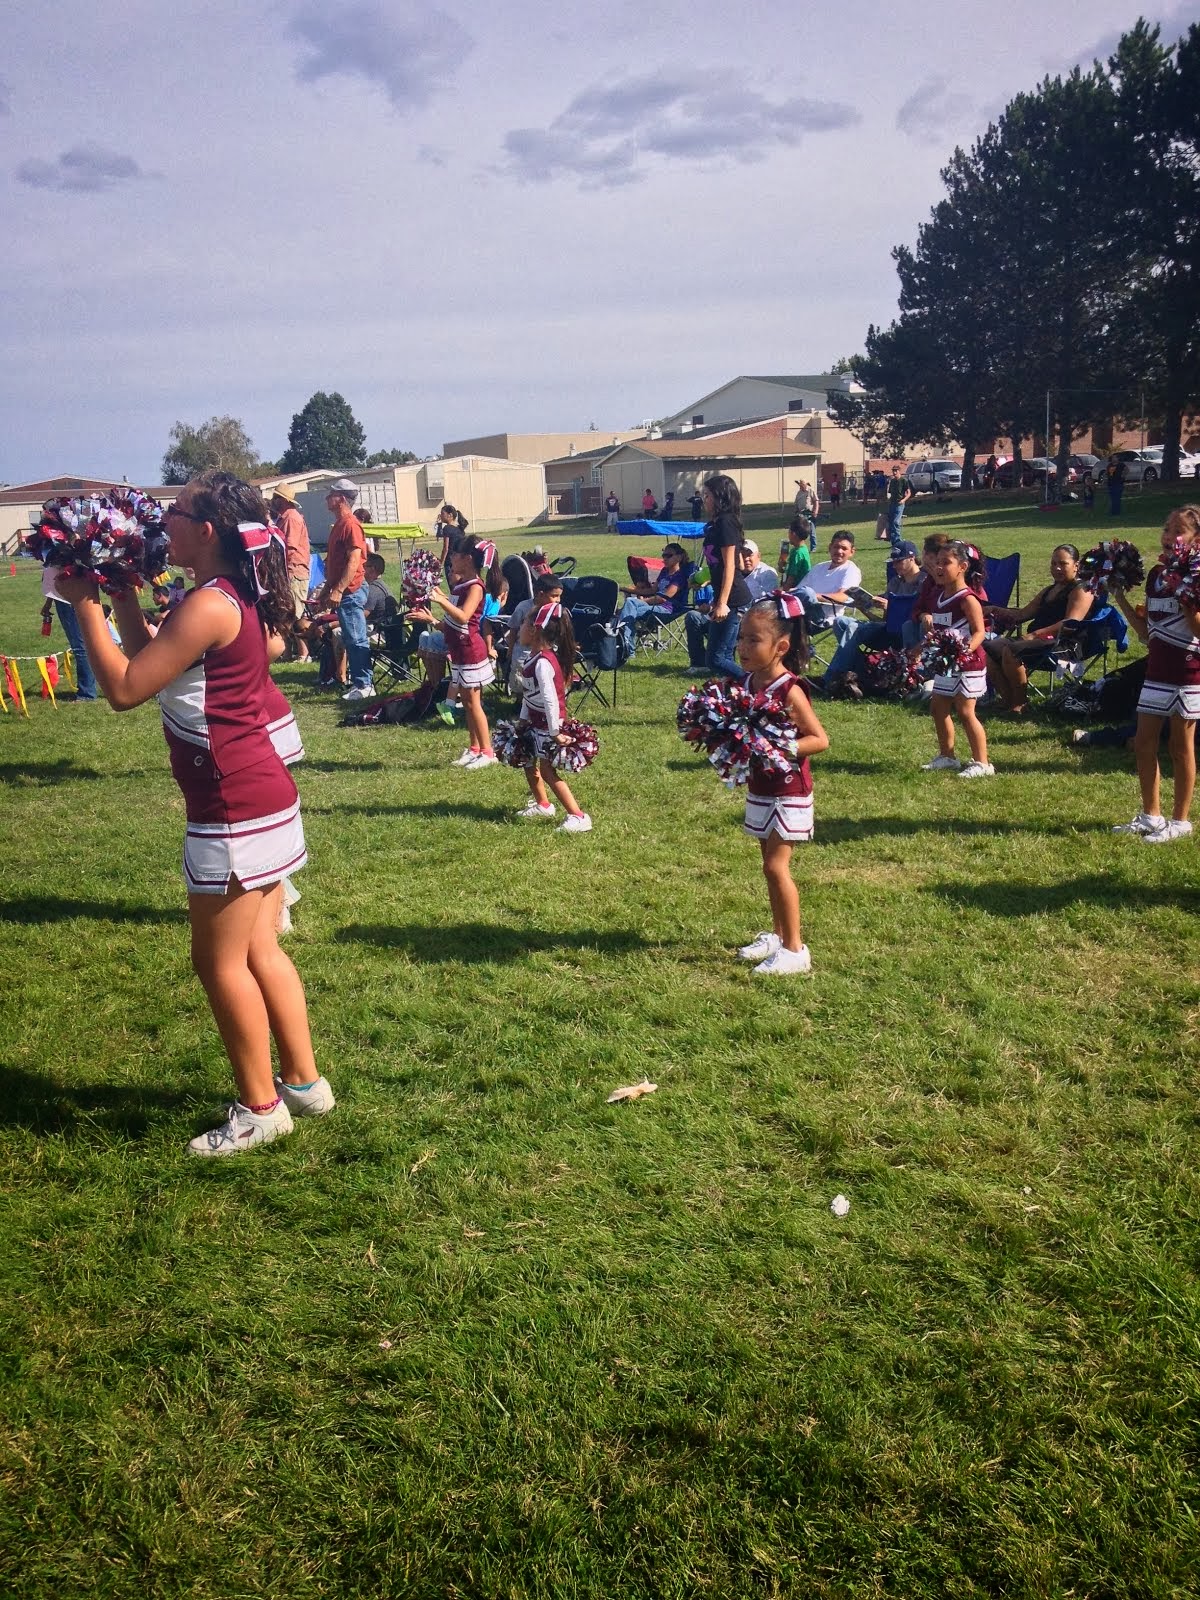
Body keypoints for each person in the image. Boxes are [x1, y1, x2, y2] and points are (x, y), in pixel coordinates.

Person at [57, 470, 332, 1156]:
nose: (163, 522)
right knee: (261, 949)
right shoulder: (223, 594)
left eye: (174, 513)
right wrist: (121, 593)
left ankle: (261, 1108)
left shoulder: (209, 604)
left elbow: (124, 687)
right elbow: (160, 656)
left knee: (220, 965)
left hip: (233, 806)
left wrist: (84, 603)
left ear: (205, 530)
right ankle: (303, 1083)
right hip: (260, 794)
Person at [733, 594, 829, 977]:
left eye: (753, 640)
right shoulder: (746, 681)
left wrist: (775, 748)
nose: (742, 646)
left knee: (776, 867)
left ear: (781, 647)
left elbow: (819, 739)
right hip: (761, 786)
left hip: (789, 790)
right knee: (766, 865)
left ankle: (795, 949)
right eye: (741, 637)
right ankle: (776, 934)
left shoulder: (790, 689)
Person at [1109, 504, 1200, 841]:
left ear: (1196, 540)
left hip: (1189, 673)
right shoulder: (1156, 576)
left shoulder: (1196, 576)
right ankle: (1151, 815)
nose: (1168, 536)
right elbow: (1148, 632)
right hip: (1156, 672)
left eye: (1178, 530)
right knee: (1143, 742)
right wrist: (1119, 596)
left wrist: (1187, 596)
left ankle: (1180, 821)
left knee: (1181, 746)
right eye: (1166, 527)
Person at [410, 534, 501, 768]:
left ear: (468, 559)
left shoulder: (475, 587)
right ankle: (474, 748)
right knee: (467, 704)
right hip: (459, 650)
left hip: (471, 650)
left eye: (456, 555)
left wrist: (440, 600)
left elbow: (463, 616)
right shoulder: (461, 585)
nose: (451, 558)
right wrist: (431, 619)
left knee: (473, 703)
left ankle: (488, 752)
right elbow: (452, 623)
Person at [512, 602, 592, 833]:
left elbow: (550, 700)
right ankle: (543, 804)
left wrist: (555, 732)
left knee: (547, 771)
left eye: (524, 623)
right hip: (535, 723)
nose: (520, 628)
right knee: (527, 761)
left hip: (549, 726)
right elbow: (530, 695)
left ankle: (578, 815)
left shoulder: (543, 663)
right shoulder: (534, 658)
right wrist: (523, 719)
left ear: (535, 629)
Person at [983, 544, 1091, 714]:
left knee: (1011, 650)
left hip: (1063, 644)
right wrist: (993, 609)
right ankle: (1007, 700)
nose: (1057, 568)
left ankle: (1020, 704)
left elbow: (1070, 624)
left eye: (1063, 564)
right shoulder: (1049, 590)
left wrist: (1034, 635)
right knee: (991, 648)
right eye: (1053, 563)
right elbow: (1022, 614)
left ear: (1076, 565)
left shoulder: (1082, 589)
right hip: (1036, 641)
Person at [922, 541, 993, 779]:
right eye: (937, 562)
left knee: (965, 711)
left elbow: (979, 632)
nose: (939, 567)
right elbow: (941, 631)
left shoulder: (968, 599)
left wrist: (963, 652)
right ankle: (948, 757)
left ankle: (982, 763)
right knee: (938, 707)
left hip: (969, 664)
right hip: (946, 663)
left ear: (962, 566)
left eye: (946, 563)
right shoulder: (937, 595)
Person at [820, 538, 923, 682]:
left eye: (899, 561)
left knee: (853, 628)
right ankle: (860, 670)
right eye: (893, 562)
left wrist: (891, 606)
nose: (894, 566)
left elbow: (914, 614)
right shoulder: (895, 583)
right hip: (886, 629)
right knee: (840, 621)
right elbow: (885, 620)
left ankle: (831, 677)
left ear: (912, 558)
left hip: (904, 632)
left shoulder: (924, 582)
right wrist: (863, 607)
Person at [685, 474, 751, 677]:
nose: (704, 500)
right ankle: (737, 701)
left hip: (733, 600)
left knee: (716, 659)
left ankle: (757, 686)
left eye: (707, 495)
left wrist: (722, 603)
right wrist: (705, 580)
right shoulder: (716, 524)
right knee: (720, 657)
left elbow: (732, 566)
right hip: (723, 596)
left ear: (720, 497)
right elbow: (731, 563)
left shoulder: (726, 522)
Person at [313, 477, 371, 700]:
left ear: (342, 499)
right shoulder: (339, 524)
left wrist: (338, 590)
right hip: (343, 591)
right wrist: (328, 590)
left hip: (351, 591)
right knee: (350, 637)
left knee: (356, 638)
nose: (327, 497)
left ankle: (364, 685)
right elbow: (336, 564)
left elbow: (353, 560)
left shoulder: (350, 524)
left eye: (331, 494)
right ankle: (359, 682)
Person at [615, 541, 690, 655]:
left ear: (679, 557)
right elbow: (652, 591)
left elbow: (664, 598)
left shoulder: (680, 576)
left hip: (667, 610)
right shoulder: (664, 571)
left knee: (628, 609)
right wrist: (626, 589)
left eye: (668, 556)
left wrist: (642, 601)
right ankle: (627, 648)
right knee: (630, 607)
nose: (664, 558)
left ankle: (625, 648)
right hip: (654, 605)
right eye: (663, 555)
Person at [39, 561, 98, 701]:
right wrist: (48, 603)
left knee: (80, 647)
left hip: (67, 599)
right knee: (83, 645)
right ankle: (89, 688)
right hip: (64, 597)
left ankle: (87, 693)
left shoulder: (63, 552)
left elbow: (57, 575)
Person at [507, 572, 565, 699]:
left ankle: (540, 703)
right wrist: (510, 650)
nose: (558, 600)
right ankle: (520, 703)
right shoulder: (523, 607)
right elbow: (513, 629)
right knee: (521, 678)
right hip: (523, 653)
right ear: (540, 594)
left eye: (559, 596)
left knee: (543, 681)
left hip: (547, 653)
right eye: (554, 596)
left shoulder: (556, 611)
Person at [270, 485, 312, 659]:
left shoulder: (292, 518)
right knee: (286, 612)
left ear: (285, 500)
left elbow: (290, 547)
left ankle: (304, 654)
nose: (273, 501)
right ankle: (287, 653)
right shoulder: (284, 518)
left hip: (294, 572)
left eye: (276, 497)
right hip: (287, 572)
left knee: (295, 613)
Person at [795, 531, 862, 627]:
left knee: (807, 593)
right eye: (836, 547)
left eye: (844, 548)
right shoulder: (819, 567)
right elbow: (799, 589)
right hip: (803, 608)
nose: (839, 551)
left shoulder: (851, 570)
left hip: (824, 616)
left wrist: (814, 596)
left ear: (852, 552)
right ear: (830, 547)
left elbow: (843, 597)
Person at [437, 504, 470, 582]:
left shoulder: (447, 528)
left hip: (450, 561)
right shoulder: (459, 529)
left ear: (450, 515)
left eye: (442, 514)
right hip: (460, 560)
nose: (440, 516)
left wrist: (440, 564)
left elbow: (445, 548)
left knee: (453, 586)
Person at [779, 517, 813, 591]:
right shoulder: (802, 549)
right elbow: (788, 569)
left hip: (797, 589)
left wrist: (783, 591)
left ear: (793, 534)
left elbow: (792, 577)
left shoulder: (797, 553)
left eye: (789, 532)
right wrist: (783, 563)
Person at [885, 466, 912, 541]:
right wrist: (888, 498)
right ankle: (893, 540)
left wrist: (903, 500)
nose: (894, 472)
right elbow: (890, 492)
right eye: (893, 471)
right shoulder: (892, 481)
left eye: (896, 471)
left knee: (896, 522)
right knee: (891, 522)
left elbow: (909, 493)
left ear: (899, 471)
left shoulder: (903, 480)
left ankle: (898, 540)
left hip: (899, 503)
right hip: (892, 503)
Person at [793, 479, 820, 549]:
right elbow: (796, 503)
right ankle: (800, 546)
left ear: (805, 485)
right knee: (801, 531)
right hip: (801, 515)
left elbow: (816, 502)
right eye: (800, 485)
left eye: (801, 485)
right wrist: (796, 511)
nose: (800, 487)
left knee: (812, 531)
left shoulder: (811, 491)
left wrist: (815, 511)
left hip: (810, 514)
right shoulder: (799, 493)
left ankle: (813, 548)